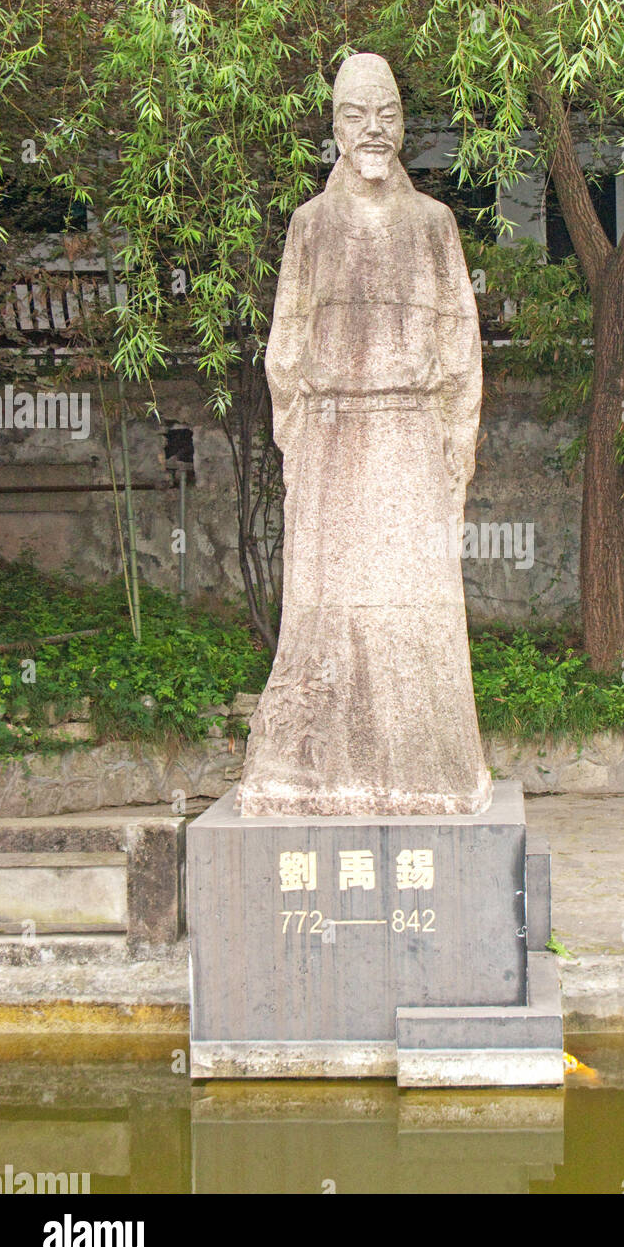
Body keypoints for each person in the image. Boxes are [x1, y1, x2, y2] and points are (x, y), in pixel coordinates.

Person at [237, 53, 493, 817]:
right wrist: (300, 442)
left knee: (419, 604)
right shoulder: (309, 227)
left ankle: (432, 766)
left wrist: (456, 441)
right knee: (327, 603)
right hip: (332, 438)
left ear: (403, 125)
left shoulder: (433, 225)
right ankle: (307, 767)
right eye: (355, 115)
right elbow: (285, 345)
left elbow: (461, 346)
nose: (372, 129)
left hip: (411, 436)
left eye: (385, 113)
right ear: (336, 128)